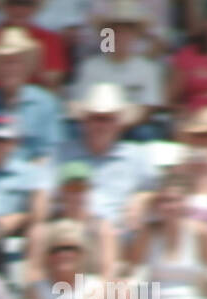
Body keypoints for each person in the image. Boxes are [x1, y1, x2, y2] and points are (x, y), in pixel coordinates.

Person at [58, 83, 156, 233]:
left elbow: (159, 191)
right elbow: (46, 194)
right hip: (74, 237)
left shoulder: (137, 155)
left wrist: (143, 198)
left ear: (119, 123)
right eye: (96, 118)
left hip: (123, 237)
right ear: (85, 121)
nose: (101, 126)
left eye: (108, 119)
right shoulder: (62, 154)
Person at [125, 176, 207, 299]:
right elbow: (132, 271)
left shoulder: (202, 233)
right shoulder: (147, 234)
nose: (170, 206)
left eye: (175, 200)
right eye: (164, 201)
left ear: (186, 202)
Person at [0, 27, 63, 163]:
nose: (9, 69)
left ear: (26, 67)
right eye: (4, 63)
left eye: (15, 62)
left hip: (32, 177)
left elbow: (52, 152)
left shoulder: (45, 103)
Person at [70, 1, 164, 140]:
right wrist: (103, 124)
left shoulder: (148, 69)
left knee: (147, 132)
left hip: (132, 126)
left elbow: (147, 109)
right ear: (106, 36)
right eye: (115, 32)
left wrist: (117, 124)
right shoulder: (90, 67)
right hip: (96, 124)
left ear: (136, 36)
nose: (120, 37)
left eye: (126, 32)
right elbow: (79, 104)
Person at [26, 161, 118, 284]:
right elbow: (34, 275)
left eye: (82, 188)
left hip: (92, 297)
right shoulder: (43, 231)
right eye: (71, 188)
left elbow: (108, 274)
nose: (77, 195)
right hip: (52, 294)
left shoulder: (102, 229)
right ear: (61, 192)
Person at [0, 112, 46, 238]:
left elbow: (40, 214)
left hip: (12, 235)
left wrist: (20, 218)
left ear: (14, 143)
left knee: (39, 231)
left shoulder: (30, 172)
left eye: (3, 140)